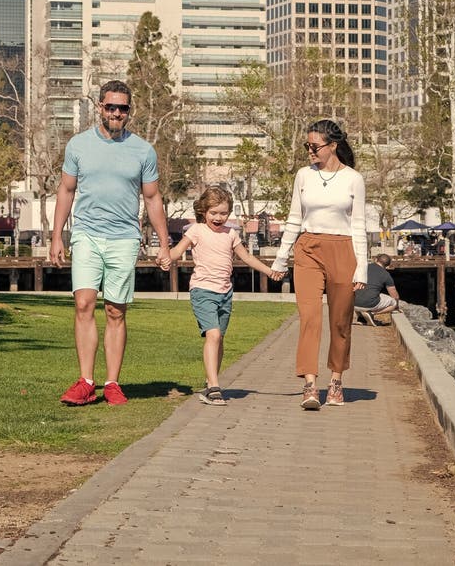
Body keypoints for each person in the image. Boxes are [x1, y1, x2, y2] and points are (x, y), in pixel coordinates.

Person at [51, 79, 170, 407]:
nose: (116, 112)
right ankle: (86, 382)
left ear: (129, 111)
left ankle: (112, 383)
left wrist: (163, 244)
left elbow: (153, 198)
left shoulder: (143, 150)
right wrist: (57, 236)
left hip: (124, 238)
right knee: (84, 303)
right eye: (110, 107)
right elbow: (66, 190)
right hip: (87, 234)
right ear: (99, 107)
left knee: (116, 310)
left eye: (123, 108)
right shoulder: (78, 145)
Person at [271, 119, 367, 410]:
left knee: (340, 322)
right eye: (307, 146)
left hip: (343, 250)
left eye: (314, 146)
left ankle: (336, 382)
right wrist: (281, 257)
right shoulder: (303, 176)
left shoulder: (353, 179)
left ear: (332, 146)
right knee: (309, 317)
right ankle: (310, 385)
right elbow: (294, 218)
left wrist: (362, 266)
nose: (310, 151)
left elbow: (360, 225)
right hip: (308, 249)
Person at [163, 186, 282, 405]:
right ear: (204, 211)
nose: (219, 218)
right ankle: (216, 387)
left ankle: (210, 384)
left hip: (225, 292)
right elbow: (177, 252)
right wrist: (165, 257)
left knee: (219, 339)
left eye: (223, 213)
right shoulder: (196, 230)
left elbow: (246, 258)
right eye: (214, 213)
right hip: (202, 290)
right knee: (213, 335)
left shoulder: (231, 234)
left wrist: (270, 271)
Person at [353, 253, 399, 326]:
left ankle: (360, 315)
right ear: (387, 265)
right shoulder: (386, 274)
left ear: (376, 259)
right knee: (393, 303)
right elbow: (394, 296)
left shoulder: (364, 267)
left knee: (366, 293)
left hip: (353, 303)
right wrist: (397, 307)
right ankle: (372, 313)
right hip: (370, 305)